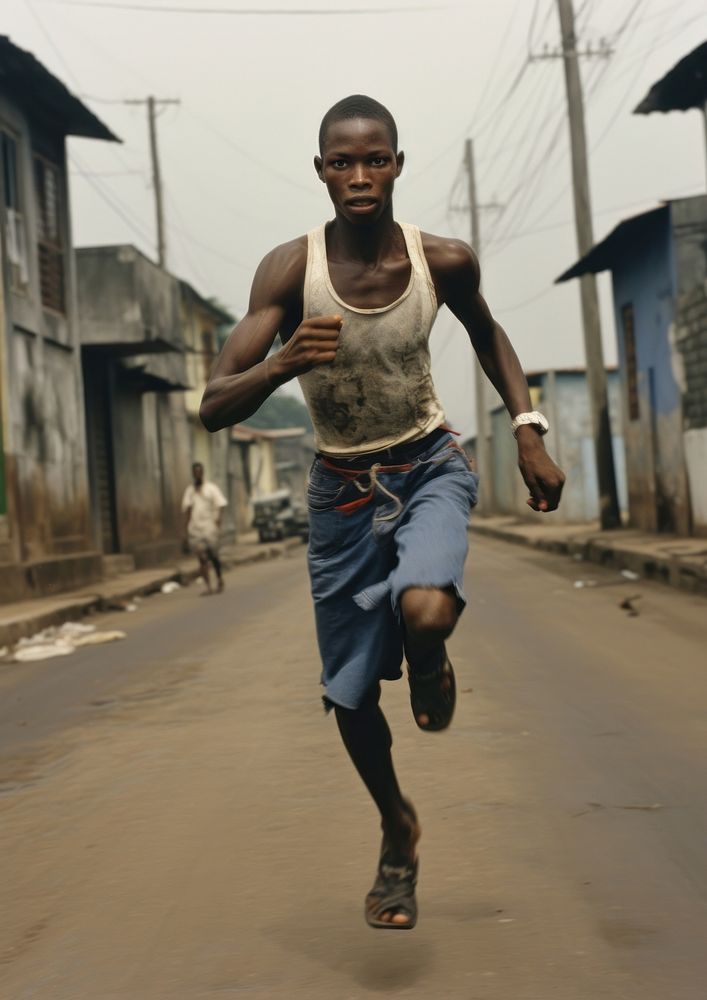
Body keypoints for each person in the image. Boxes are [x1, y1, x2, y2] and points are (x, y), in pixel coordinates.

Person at [200, 95, 565, 929]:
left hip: (427, 460)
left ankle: (428, 652)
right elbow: (214, 402)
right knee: (351, 697)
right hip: (340, 493)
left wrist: (527, 429)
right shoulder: (289, 273)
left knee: (425, 607)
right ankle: (396, 829)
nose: (359, 176)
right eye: (342, 161)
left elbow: (488, 333)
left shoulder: (443, 259)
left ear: (397, 164)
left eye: (375, 159)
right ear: (321, 171)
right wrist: (282, 362)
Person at [181, 462, 227, 595]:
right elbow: (187, 510)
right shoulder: (190, 491)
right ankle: (208, 586)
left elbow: (221, 504)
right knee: (201, 558)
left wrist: (218, 521)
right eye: (195, 472)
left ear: (203, 473)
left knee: (213, 556)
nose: (197, 474)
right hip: (195, 530)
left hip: (209, 527)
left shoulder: (211, 488)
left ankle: (219, 578)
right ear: (193, 474)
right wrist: (185, 530)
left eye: (199, 471)